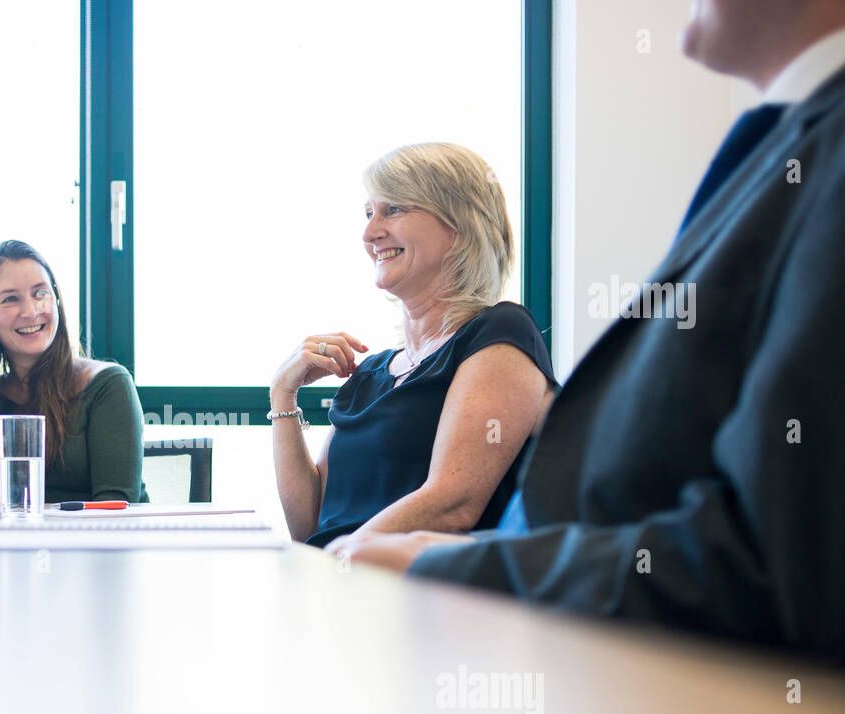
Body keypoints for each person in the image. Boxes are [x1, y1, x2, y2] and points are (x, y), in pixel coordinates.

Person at [332, 0, 845, 660]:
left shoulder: (827, 160)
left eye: (394, 209)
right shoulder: (790, 145)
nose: (372, 229)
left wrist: (464, 569)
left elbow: (780, 554)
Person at [269, 143, 558, 548]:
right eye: (369, 213)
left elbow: (452, 506)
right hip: (344, 586)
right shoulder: (372, 372)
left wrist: (338, 563)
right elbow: (309, 526)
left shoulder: (498, 333)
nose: (370, 233)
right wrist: (283, 395)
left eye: (394, 210)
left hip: (421, 598)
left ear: (458, 224)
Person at [0, 239, 146, 504]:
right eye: (10, 299)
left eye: (40, 293)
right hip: (16, 543)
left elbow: (115, 509)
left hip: (95, 542)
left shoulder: (108, 385)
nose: (31, 311)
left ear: (55, 299)